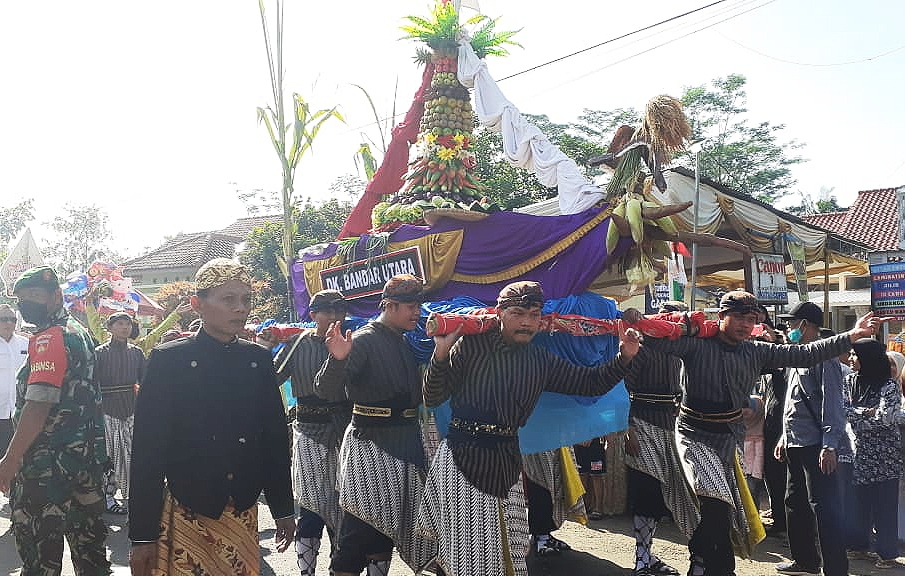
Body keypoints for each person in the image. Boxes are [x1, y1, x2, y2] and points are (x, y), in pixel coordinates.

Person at [626, 290, 885, 576]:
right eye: (738, 317)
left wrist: (850, 335)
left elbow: (805, 354)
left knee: (725, 512)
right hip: (694, 434)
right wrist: (644, 323)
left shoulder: (756, 350)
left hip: (729, 437)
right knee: (715, 503)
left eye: (751, 319)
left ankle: (705, 564)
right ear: (721, 315)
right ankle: (716, 568)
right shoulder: (696, 345)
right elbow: (650, 342)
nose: (745, 325)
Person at [420, 280, 640, 576]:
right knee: (467, 555)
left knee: (508, 551)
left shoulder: (540, 359)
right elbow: (433, 396)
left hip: (507, 458)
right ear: (499, 312)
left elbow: (589, 383)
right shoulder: (470, 345)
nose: (526, 322)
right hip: (462, 458)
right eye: (518, 313)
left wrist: (624, 356)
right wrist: (441, 355)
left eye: (534, 314)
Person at [128, 258, 295, 576]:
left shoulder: (257, 360)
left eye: (246, 299)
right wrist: (142, 536)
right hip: (190, 508)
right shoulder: (169, 361)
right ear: (197, 304)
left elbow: (274, 440)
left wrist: (283, 507)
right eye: (228, 299)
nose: (240, 308)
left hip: (243, 512)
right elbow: (148, 454)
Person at [315, 274, 437, 576]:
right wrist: (338, 360)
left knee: (387, 530)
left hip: (407, 443)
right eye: (408, 306)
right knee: (358, 531)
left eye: (417, 306)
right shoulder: (366, 339)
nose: (416, 313)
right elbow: (325, 390)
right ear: (388, 305)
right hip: (370, 445)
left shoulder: (405, 341)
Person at [0, 266, 109, 574]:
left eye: (34, 296)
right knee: (90, 553)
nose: (26, 304)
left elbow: (37, 408)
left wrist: (10, 460)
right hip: (85, 460)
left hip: (48, 467)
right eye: (22, 299)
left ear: (56, 296)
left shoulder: (49, 339)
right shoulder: (79, 331)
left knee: (39, 555)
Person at [272, 289, 351, 575]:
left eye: (338, 310)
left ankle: (339, 568)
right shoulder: (297, 344)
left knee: (344, 506)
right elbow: (272, 377)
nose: (333, 317)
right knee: (311, 506)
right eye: (326, 311)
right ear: (313, 314)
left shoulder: (353, 341)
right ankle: (307, 571)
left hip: (346, 434)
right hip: (307, 432)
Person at [772, 302, 849, 576]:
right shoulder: (796, 356)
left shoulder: (824, 358)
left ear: (806, 325)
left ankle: (835, 568)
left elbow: (833, 404)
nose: (789, 328)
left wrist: (830, 444)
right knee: (794, 502)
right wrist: (784, 435)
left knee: (824, 508)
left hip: (817, 445)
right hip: (795, 442)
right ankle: (804, 561)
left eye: (793, 324)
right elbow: (792, 402)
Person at [623, 300, 695, 576]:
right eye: (669, 318)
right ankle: (641, 558)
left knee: (668, 495)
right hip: (642, 423)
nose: (672, 323)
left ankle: (652, 555)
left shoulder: (683, 351)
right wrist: (627, 428)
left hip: (674, 427)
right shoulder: (643, 349)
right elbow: (624, 387)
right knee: (646, 491)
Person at [844, 338, 903, 569]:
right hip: (858, 452)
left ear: (868, 358)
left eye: (855, 355)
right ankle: (859, 545)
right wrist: (866, 413)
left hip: (885, 455)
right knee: (859, 503)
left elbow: (886, 419)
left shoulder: (888, 386)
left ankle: (887, 553)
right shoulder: (849, 381)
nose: (850, 359)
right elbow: (842, 410)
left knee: (884, 505)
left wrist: (857, 416)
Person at [94, 311, 146, 515]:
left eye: (128, 324)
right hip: (107, 410)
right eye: (120, 324)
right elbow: (92, 383)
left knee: (133, 456)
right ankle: (108, 497)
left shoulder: (137, 352)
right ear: (110, 327)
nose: (125, 327)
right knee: (111, 457)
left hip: (131, 410)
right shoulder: (99, 352)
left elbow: (145, 381)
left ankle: (131, 496)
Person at [0, 304, 28, 458]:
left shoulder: (27, 344)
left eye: (12, 319)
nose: (9, 323)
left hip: (21, 412)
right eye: (4, 319)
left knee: (18, 457)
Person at [574, 437, 606, 521]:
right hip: (580, 444)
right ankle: (583, 506)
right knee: (582, 475)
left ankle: (598, 509)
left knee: (596, 475)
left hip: (596, 446)